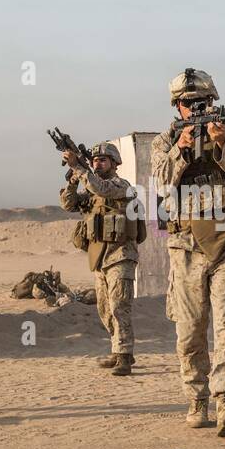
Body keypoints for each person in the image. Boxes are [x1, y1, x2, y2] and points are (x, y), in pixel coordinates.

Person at [149, 68, 225, 436]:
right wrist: (181, 149)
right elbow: (162, 182)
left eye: (202, 102)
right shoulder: (164, 141)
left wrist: (223, 143)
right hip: (185, 246)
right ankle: (197, 397)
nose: (195, 109)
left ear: (212, 102)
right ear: (176, 107)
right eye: (187, 103)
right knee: (190, 329)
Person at [58, 141, 143, 375]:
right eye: (95, 160)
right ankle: (117, 351)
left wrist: (82, 169)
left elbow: (102, 189)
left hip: (121, 255)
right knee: (105, 309)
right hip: (99, 257)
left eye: (103, 160)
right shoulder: (91, 188)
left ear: (115, 163)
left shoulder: (121, 186)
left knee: (119, 306)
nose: (98, 163)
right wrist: (73, 181)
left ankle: (125, 355)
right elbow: (68, 204)